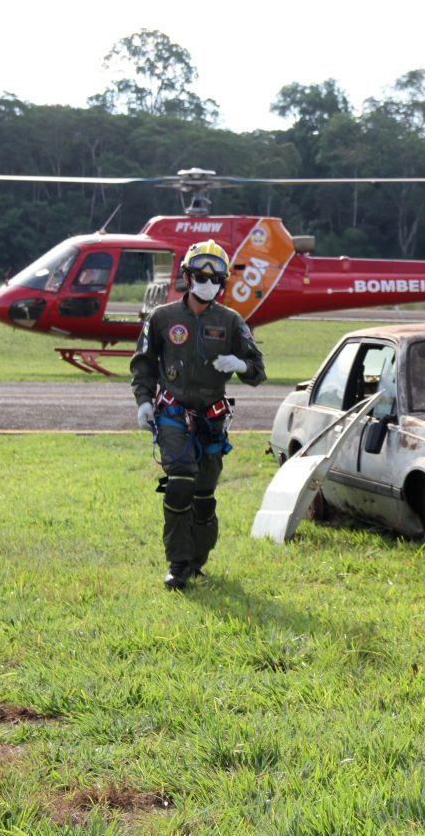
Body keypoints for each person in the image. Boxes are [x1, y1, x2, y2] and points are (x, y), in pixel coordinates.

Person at [131, 240, 266, 590]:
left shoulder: (232, 322)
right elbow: (143, 365)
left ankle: (196, 561)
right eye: (200, 275)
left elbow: (258, 370)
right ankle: (177, 565)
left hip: (212, 418)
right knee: (179, 485)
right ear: (187, 277)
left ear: (222, 283)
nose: (207, 282)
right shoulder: (162, 319)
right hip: (173, 412)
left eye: (214, 277)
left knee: (204, 495)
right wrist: (144, 401)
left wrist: (240, 364)